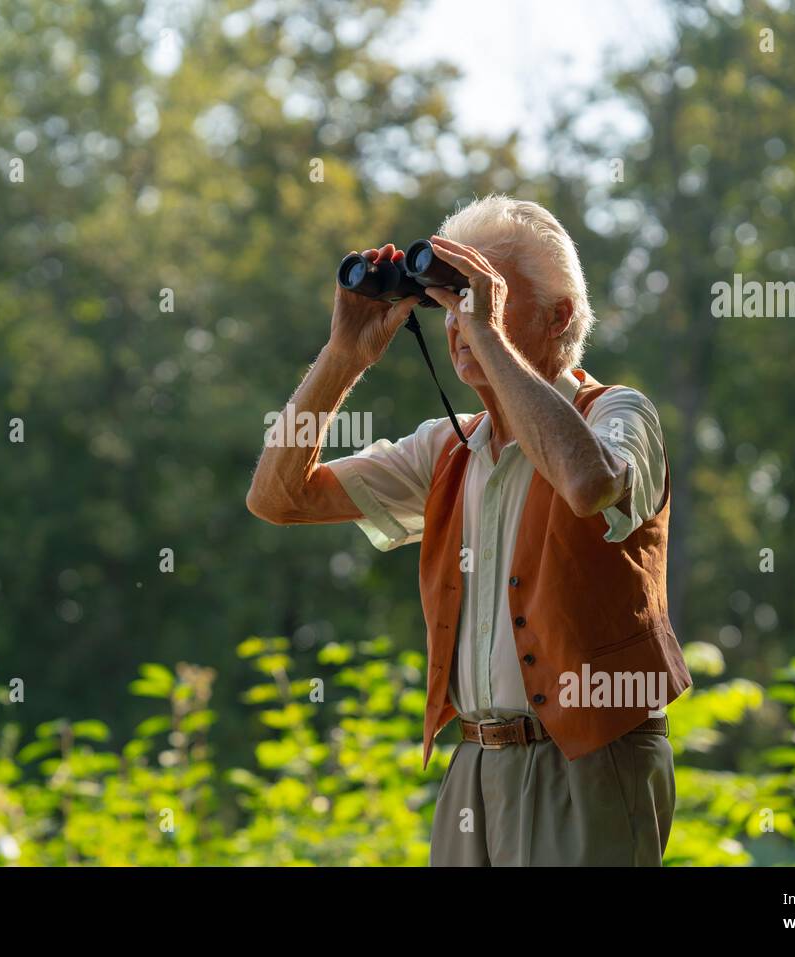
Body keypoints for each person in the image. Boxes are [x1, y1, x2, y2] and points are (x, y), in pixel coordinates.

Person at [246, 194, 691, 866]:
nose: (458, 320)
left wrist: (488, 333)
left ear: (559, 316)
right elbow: (278, 497)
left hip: (592, 762)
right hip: (475, 765)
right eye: (449, 298)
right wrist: (345, 355)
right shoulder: (449, 449)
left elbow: (586, 483)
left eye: (481, 293)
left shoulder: (620, 415)